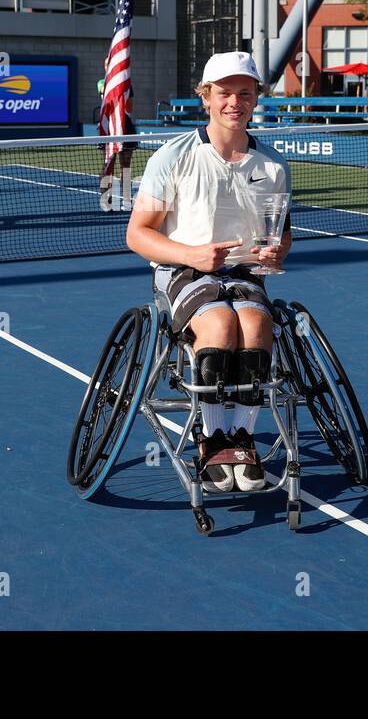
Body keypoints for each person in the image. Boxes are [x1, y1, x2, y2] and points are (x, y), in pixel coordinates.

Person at [126, 52, 291, 494]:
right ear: (206, 98)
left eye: (244, 93)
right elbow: (138, 235)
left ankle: (242, 437)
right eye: (224, 93)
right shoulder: (173, 156)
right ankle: (213, 438)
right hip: (181, 268)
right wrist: (193, 256)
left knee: (257, 324)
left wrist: (274, 255)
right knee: (219, 322)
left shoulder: (273, 166)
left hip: (242, 274)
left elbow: (282, 235)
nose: (234, 102)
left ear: (256, 98)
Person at [96, 78, 136, 210]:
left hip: (126, 127)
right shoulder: (103, 83)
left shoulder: (127, 84)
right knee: (107, 164)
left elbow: (129, 106)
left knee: (125, 166)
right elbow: (106, 99)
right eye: (107, 64)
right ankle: (106, 200)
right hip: (108, 126)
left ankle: (126, 200)